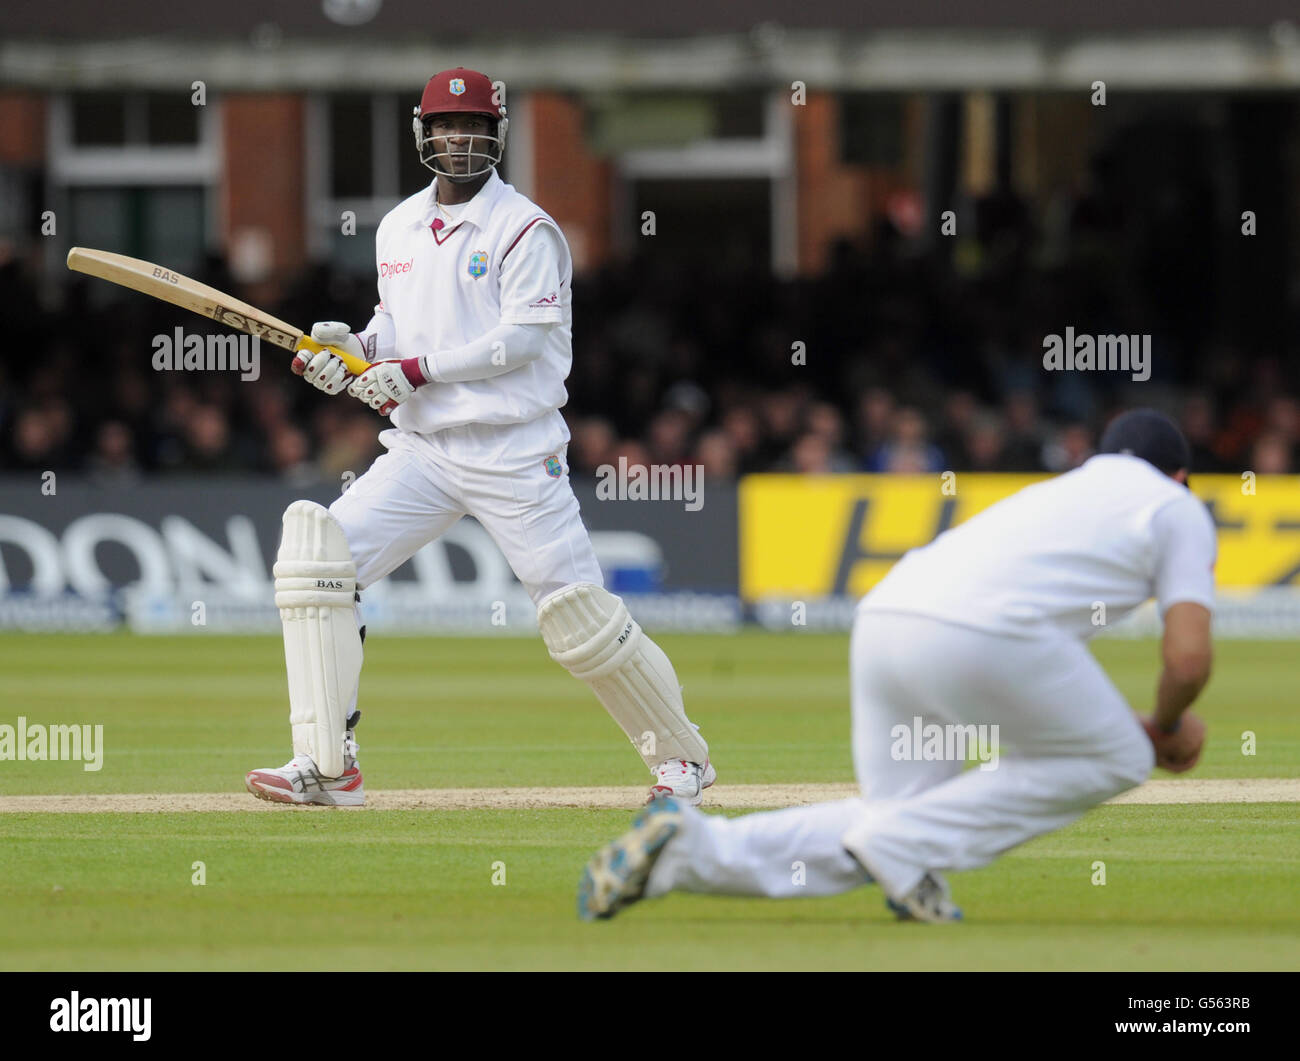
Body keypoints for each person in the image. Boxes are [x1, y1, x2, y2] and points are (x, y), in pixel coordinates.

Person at [245, 68, 714, 808]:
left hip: (513, 448)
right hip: (424, 450)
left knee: (577, 614)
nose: (458, 139)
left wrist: (413, 371)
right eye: (445, 126)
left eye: (473, 126)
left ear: (497, 135)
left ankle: (682, 760)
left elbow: (519, 341)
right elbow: (396, 330)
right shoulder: (399, 226)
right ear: (422, 133)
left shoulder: (526, 229)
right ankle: (328, 765)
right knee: (317, 564)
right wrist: (351, 350)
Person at [579, 408, 1214, 922]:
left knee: (888, 819)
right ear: (1180, 475)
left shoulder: (1062, 490)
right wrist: (1164, 724)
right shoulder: (1175, 505)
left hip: (888, 617)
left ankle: (687, 850)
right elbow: (1187, 659)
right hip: (980, 636)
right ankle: (903, 848)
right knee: (1119, 756)